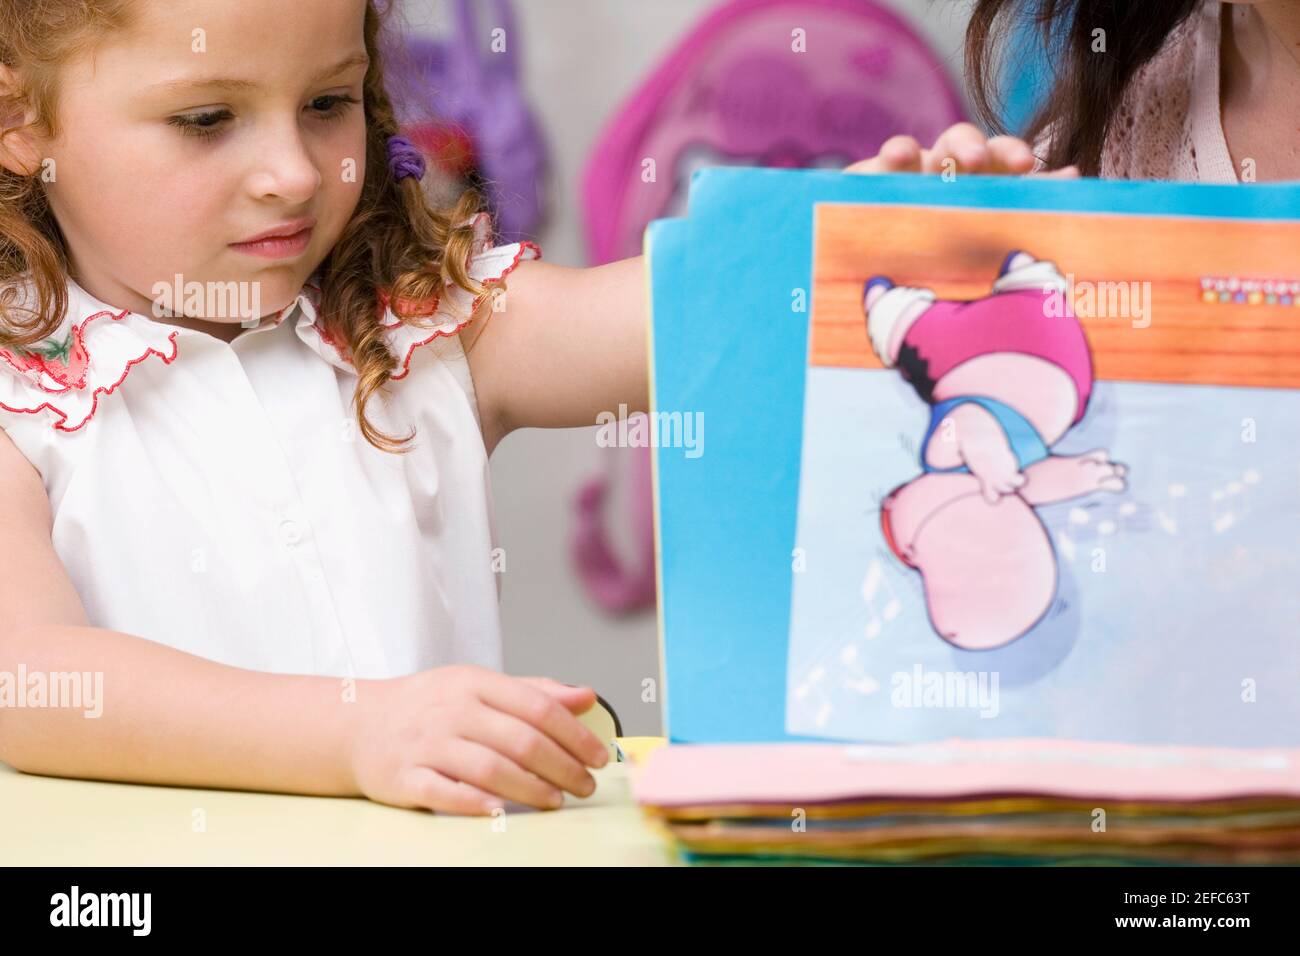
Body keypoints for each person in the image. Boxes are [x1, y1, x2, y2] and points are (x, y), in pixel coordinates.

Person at [0, 0, 1046, 814]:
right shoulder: (18, 391)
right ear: (20, 121)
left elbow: (686, 319)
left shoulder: (421, 318)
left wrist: (894, 236)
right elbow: (29, 674)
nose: (291, 171)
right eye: (207, 119)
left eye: (328, 104)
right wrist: (361, 733)